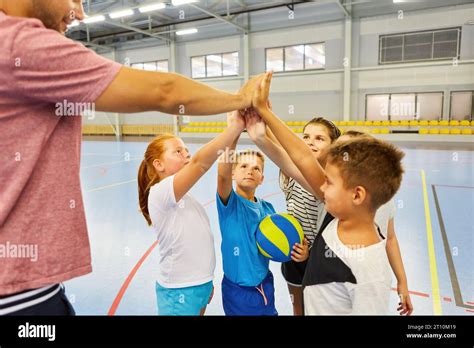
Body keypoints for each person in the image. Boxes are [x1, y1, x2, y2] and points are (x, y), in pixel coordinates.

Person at [0, 0, 268, 315]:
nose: (81, 13)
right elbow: (165, 92)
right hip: (19, 297)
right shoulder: (16, 42)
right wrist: (242, 100)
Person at [250, 72, 406, 315]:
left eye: (329, 182)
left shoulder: (368, 272)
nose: (321, 187)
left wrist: (402, 282)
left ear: (357, 195)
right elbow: (299, 157)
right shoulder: (337, 223)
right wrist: (263, 119)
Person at [137, 111, 247, 316]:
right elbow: (200, 164)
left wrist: (235, 137)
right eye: (178, 151)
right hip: (179, 290)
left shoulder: (186, 199)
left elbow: (222, 172)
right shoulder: (160, 193)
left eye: (187, 150)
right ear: (158, 164)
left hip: (199, 285)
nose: (186, 154)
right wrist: (233, 128)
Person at [246, 113, 340, 315]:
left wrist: (309, 255)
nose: (310, 142)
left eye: (319, 138)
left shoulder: (329, 182)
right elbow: (280, 150)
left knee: (317, 307)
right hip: (292, 252)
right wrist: (260, 118)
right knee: (297, 305)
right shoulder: (292, 175)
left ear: (334, 147)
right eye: (305, 137)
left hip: (318, 258)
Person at [337, 131, 413, 315]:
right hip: (337, 283)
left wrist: (402, 282)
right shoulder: (333, 195)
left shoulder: (383, 199)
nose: (339, 157)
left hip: (370, 280)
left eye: (346, 152)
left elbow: (391, 239)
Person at [216, 113, 278, 315]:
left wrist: (297, 252)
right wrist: (233, 130)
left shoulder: (268, 209)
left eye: (256, 168)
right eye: (243, 166)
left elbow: (278, 244)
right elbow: (222, 175)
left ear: (261, 178)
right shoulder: (230, 204)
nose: (250, 171)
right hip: (238, 291)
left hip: (265, 285)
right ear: (234, 173)